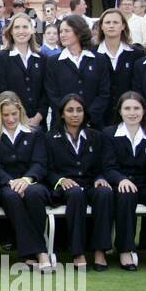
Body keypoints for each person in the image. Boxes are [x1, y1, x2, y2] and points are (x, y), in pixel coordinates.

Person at [103, 91, 146, 271]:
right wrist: (121, 180)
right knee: (126, 194)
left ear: (144, 111)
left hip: (145, 183)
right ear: (120, 111)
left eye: (136, 108)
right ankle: (125, 249)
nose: (132, 112)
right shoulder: (109, 134)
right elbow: (108, 167)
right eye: (127, 108)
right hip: (121, 184)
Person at [46, 93, 113, 269]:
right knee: (75, 194)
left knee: (105, 193)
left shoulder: (96, 136)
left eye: (79, 110)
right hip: (65, 188)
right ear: (61, 114)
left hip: (90, 183)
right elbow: (47, 169)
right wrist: (60, 180)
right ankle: (78, 252)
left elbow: (102, 166)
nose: (75, 114)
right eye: (70, 110)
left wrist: (100, 178)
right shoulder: (50, 137)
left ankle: (100, 250)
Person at [0, 91, 51, 267]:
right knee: (11, 196)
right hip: (6, 184)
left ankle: (29, 254)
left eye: (13, 114)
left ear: (20, 111)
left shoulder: (35, 133)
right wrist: (11, 182)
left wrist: (27, 179)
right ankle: (39, 252)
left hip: (33, 183)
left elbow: (40, 162)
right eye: (5, 115)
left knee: (34, 194)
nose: (10, 118)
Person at [45, 14, 110, 126]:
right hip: (63, 125)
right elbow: (53, 95)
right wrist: (69, 116)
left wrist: (88, 116)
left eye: (67, 31)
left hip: (93, 125)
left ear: (79, 32)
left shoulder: (99, 59)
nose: (62, 35)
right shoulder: (53, 62)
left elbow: (104, 92)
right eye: (61, 31)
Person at [0, 13, 46, 128]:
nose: (21, 31)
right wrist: (21, 116)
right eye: (17, 27)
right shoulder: (0, 58)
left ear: (32, 30)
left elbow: (45, 91)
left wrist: (39, 116)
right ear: (11, 31)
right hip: (12, 121)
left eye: (25, 27)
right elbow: (2, 90)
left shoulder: (42, 58)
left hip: (39, 122)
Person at [94, 7, 144, 122]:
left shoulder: (137, 54)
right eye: (107, 22)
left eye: (115, 22)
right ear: (101, 26)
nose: (111, 25)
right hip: (100, 118)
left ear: (123, 26)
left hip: (130, 117)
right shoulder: (91, 54)